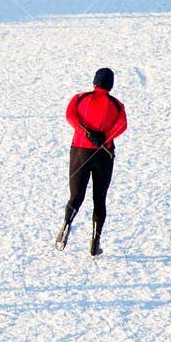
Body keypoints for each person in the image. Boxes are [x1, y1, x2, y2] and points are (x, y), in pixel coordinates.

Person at [58, 68, 128, 256]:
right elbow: (122, 125)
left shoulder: (80, 98)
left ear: (94, 82)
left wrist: (85, 132)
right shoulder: (117, 105)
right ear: (111, 85)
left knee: (76, 195)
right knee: (99, 198)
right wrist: (105, 138)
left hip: (80, 152)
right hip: (104, 155)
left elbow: (70, 116)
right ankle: (95, 242)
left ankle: (66, 224)